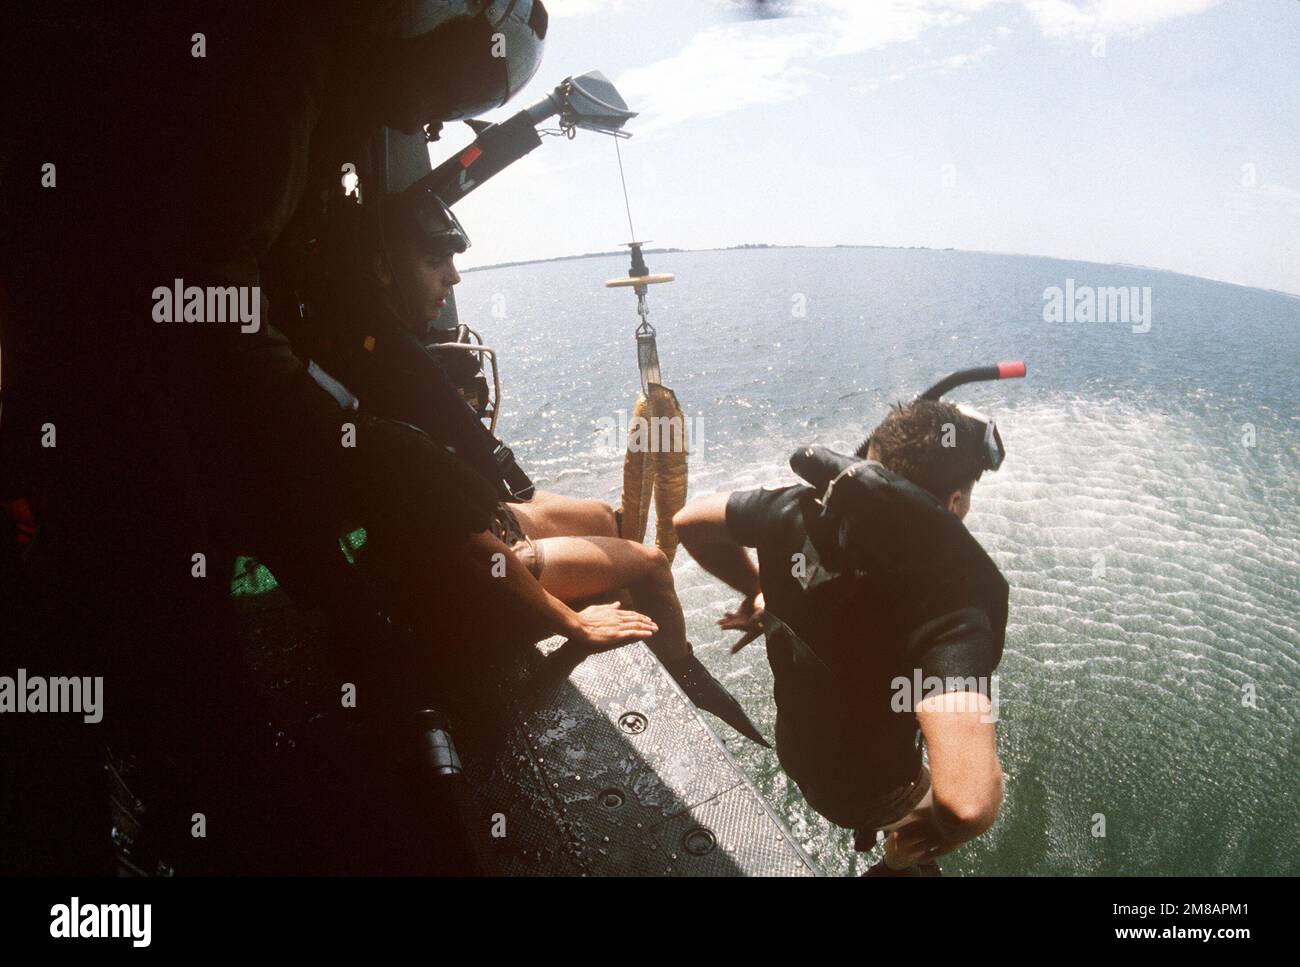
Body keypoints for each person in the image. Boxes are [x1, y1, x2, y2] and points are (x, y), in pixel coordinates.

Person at [0, 0, 561, 873]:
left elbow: (332, 295)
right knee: (169, 614)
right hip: (96, 356)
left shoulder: (320, 91)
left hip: (128, 347)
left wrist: (465, 447)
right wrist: (368, 443)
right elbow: (201, 305)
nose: (427, 123)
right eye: (447, 96)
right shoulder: (269, 55)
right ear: (416, 31)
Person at [294, 188, 769, 745]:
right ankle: (687, 677)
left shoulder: (372, 347)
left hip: (475, 524)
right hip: (453, 578)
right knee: (647, 565)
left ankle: (644, 625)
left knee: (604, 519)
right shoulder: (377, 412)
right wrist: (573, 623)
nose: (453, 278)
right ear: (381, 269)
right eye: (434, 262)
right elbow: (470, 546)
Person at [673, 395, 1012, 873]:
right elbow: (968, 806)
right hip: (871, 793)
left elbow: (688, 523)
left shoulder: (794, 509)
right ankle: (893, 861)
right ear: (953, 503)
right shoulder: (952, 604)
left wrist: (759, 590)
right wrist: (943, 829)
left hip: (799, 753)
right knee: (959, 805)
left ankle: (877, 834)